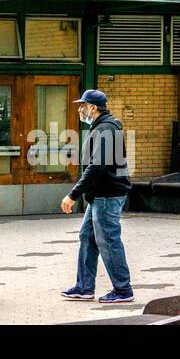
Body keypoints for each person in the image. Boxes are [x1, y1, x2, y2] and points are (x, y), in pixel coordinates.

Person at [60, 89, 134, 305]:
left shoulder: (106, 129)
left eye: (82, 105)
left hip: (107, 195)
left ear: (93, 108)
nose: (80, 109)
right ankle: (84, 287)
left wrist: (73, 194)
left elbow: (97, 166)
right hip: (101, 195)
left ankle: (123, 290)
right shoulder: (103, 127)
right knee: (87, 237)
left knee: (109, 241)